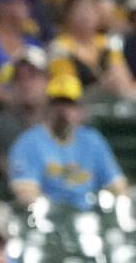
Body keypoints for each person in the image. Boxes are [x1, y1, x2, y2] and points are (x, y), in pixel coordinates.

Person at [8, 74, 127, 209]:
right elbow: (26, 193)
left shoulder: (92, 140)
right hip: (48, 217)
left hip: (89, 218)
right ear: (47, 107)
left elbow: (117, 185)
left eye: (69, 104)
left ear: (80, 110)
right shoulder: (29, 142)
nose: (62, 111)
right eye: (57, 103)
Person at [0, 46, 47, 175]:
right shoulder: (0, 124)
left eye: (32, 76)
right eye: (19, 78)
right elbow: (12, 171)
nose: (26, 84)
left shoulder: (59, 119)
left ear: (47, 81)